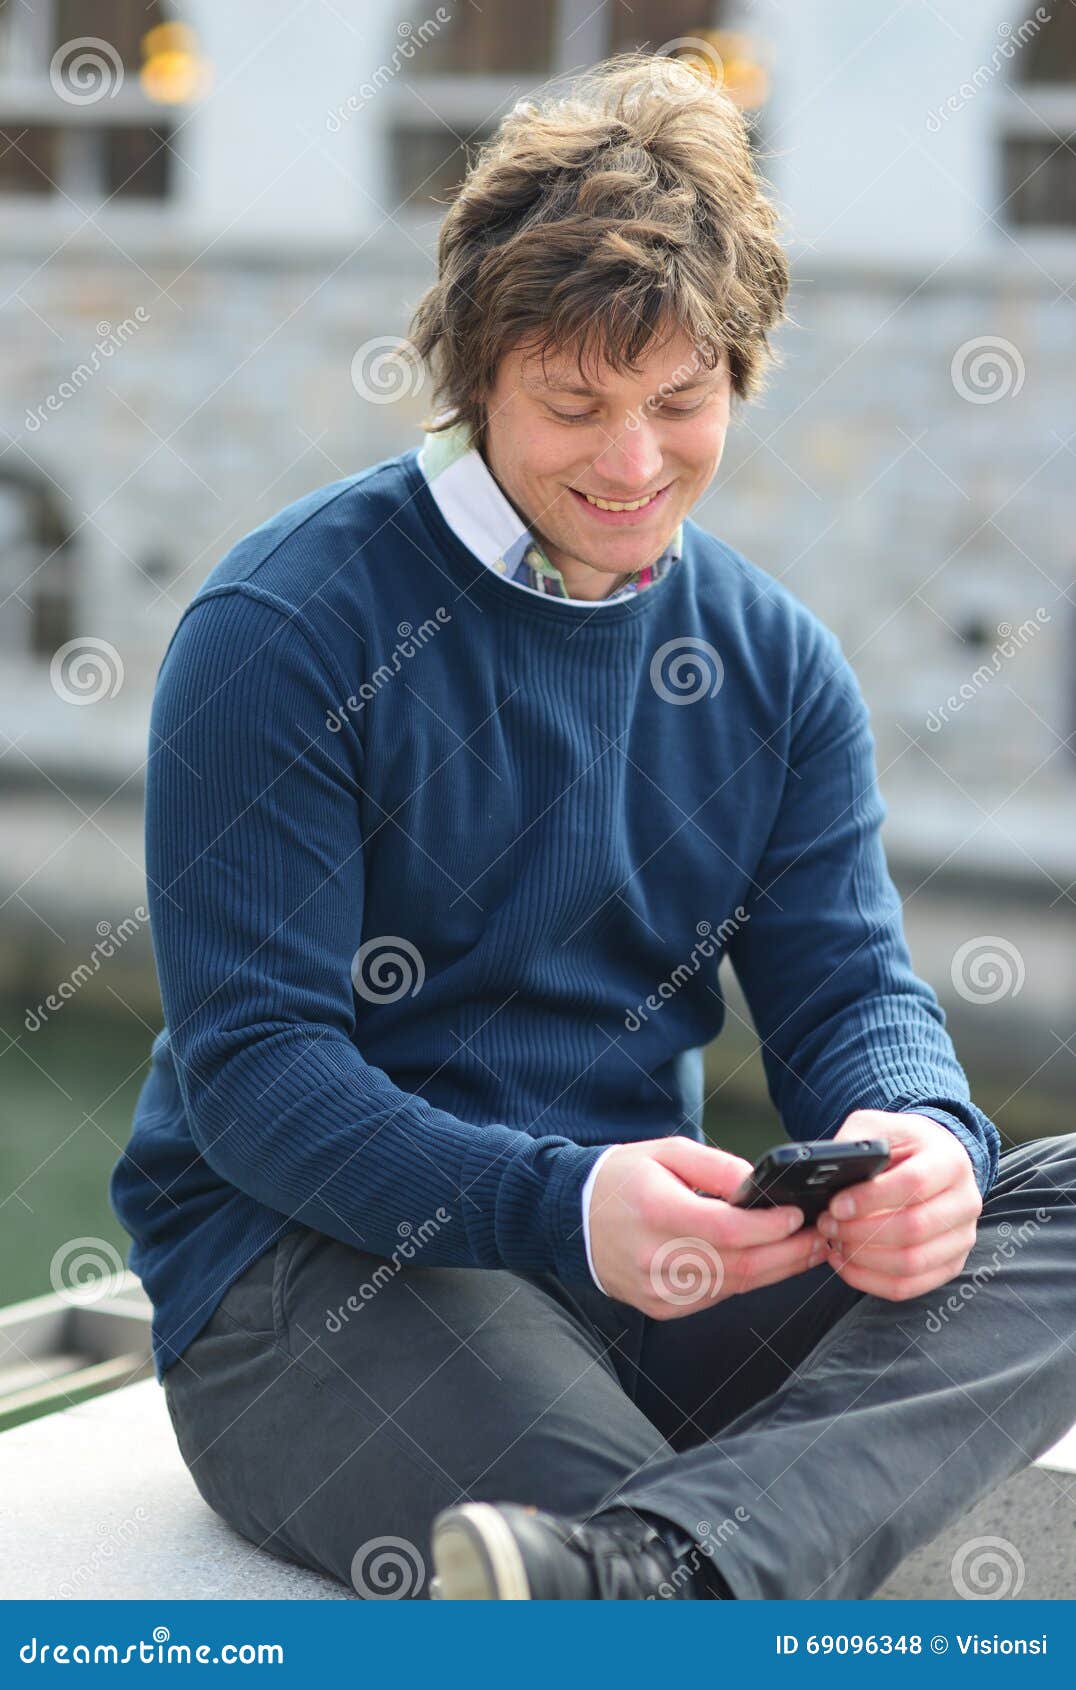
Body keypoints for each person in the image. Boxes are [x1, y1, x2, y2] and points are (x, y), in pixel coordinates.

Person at [110, 54, 1076, 1602]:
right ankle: (682, 1566)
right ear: (477, 374)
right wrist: (554, 1202)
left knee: (1058, 1201)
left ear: (740, 381)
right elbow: (255, 1074)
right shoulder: (281, 625)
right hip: (322, 1272)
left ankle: (666, 1568)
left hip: (647, 1264)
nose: (633, 465)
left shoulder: (776, 665)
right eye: (576, 405)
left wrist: (921, 1138)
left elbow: (851, 996)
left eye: (682, 404)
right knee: (627, 1551)